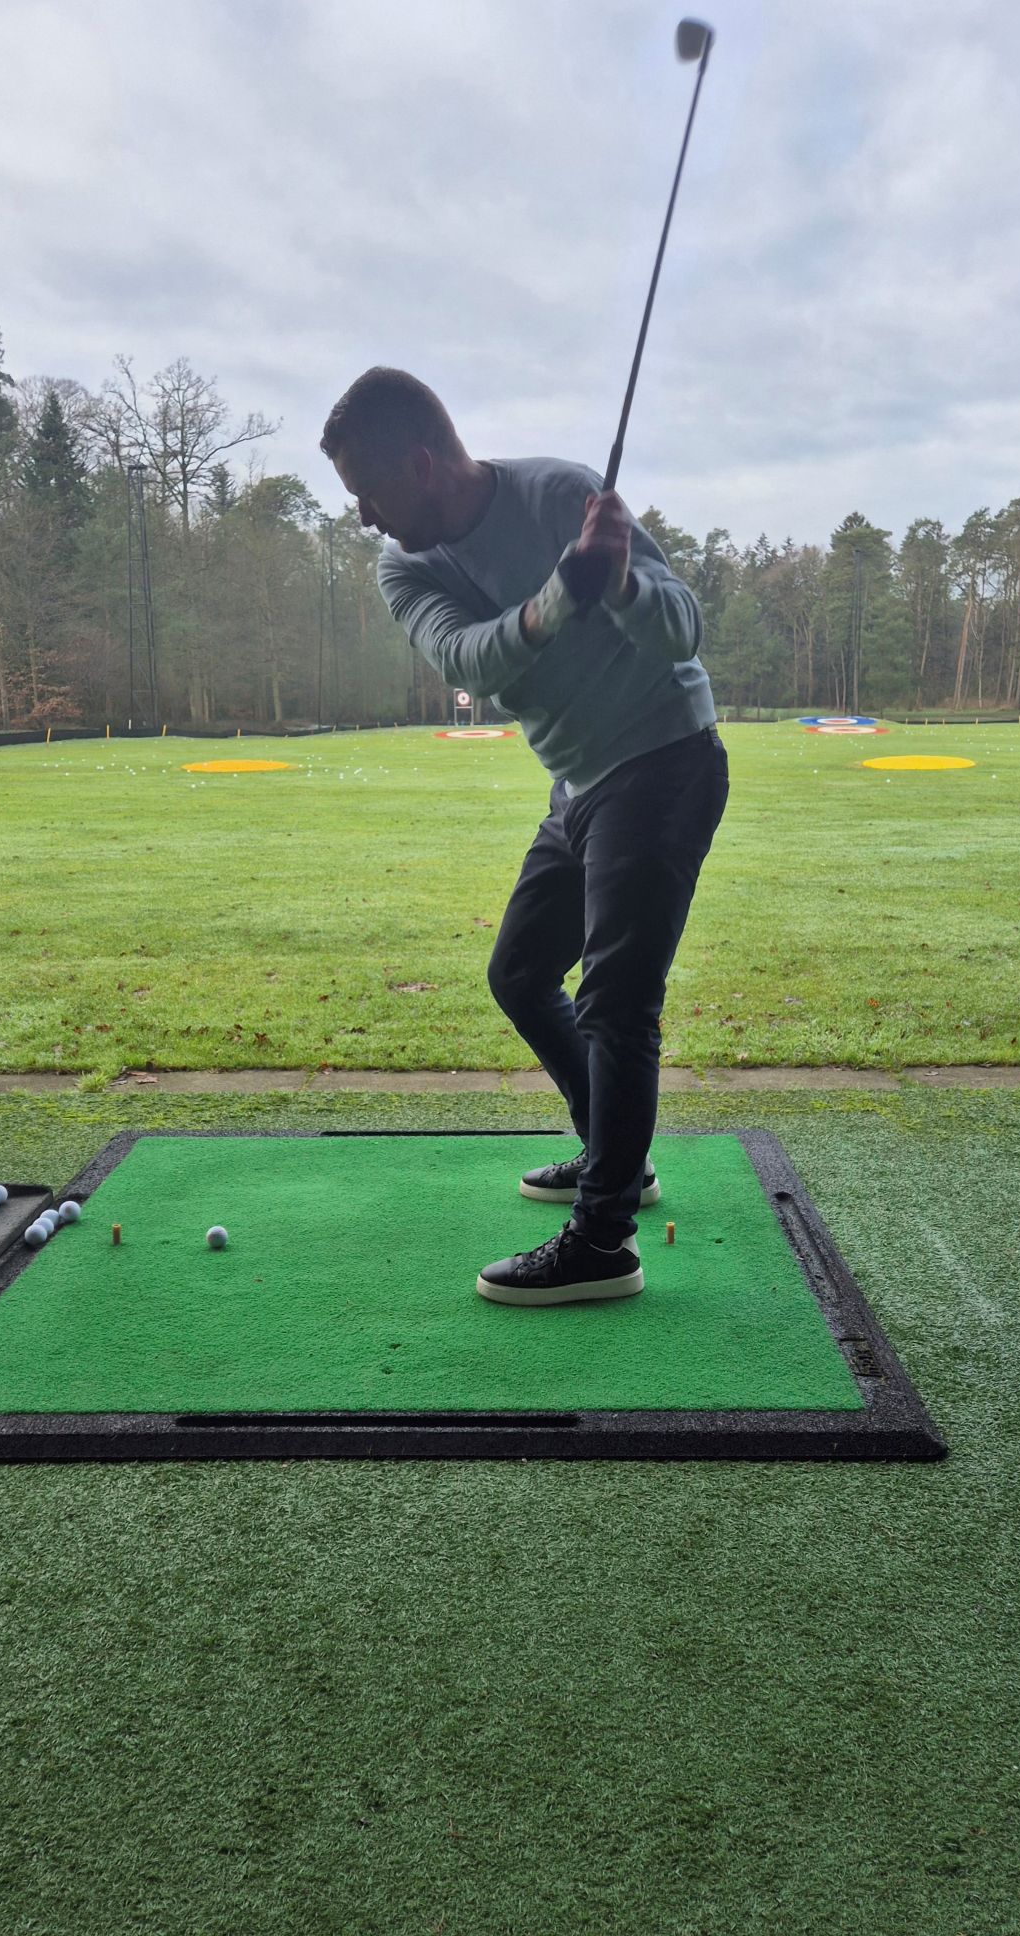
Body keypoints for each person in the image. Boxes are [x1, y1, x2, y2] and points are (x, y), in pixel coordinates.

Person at [320, 365, 728, 1307]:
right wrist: (554, 602)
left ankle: (602, 1243)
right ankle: (613, 1154)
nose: (366, 520)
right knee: (518, 973)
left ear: (419, 464)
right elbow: (469, 660)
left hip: (663, 758)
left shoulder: (558, 494)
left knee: (617, 1001)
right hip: (576, 779)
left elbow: (683, 632)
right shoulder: (407, 566)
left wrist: (619, 582)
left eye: (367, 496)